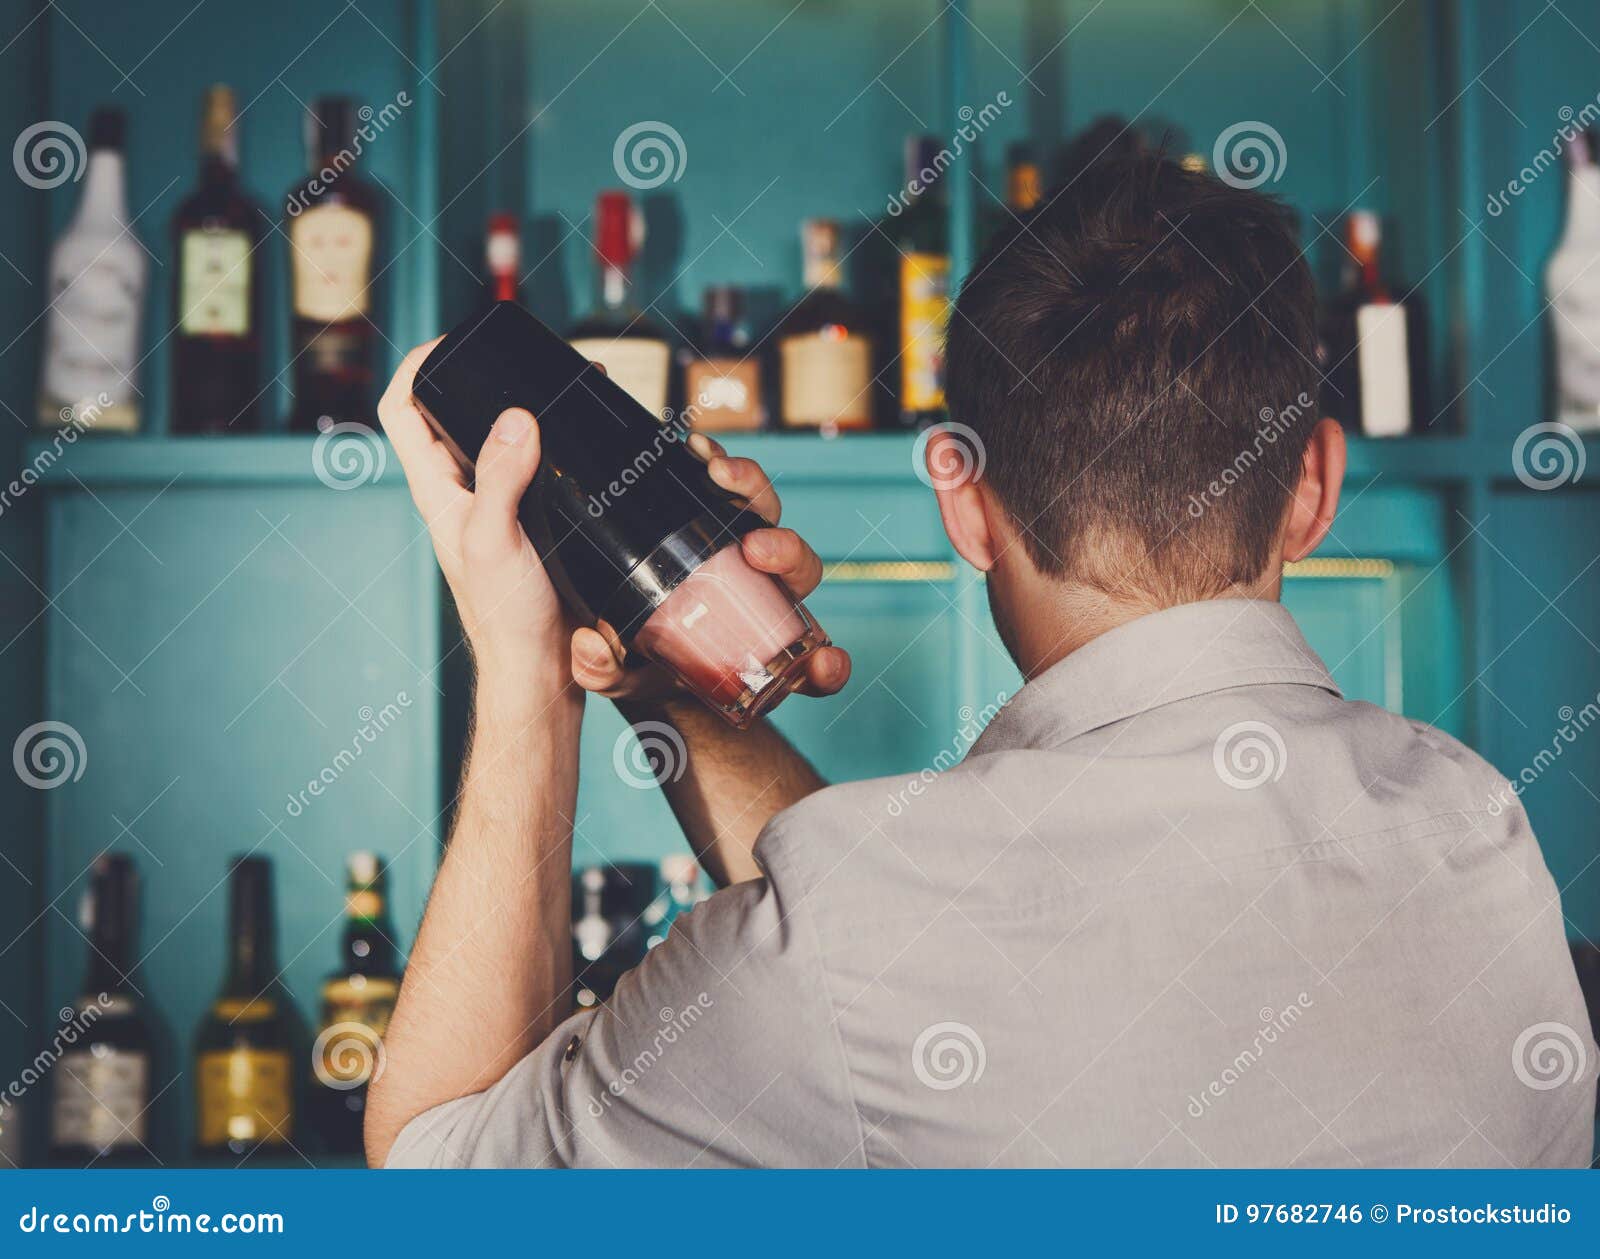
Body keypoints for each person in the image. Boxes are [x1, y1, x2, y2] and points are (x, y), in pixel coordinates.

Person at [366, 152, 1595, 1168]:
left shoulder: (855, 936)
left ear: (961, 495)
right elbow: (904, 957)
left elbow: (440, 1182)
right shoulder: (1478, 833)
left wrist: (528, 671)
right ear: (1313, 483)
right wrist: (674, 688)